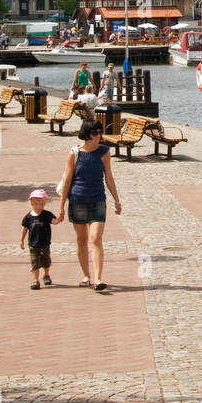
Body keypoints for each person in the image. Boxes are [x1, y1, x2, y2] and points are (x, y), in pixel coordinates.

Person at [57, 119, 122, 291]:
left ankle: (98, 279)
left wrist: (116, 199)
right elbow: (67, 180)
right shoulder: (74, 154)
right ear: (86, 134)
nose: (98, 136)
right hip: (77, 200)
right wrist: (61, 206)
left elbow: (109, 177)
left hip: (98, 200)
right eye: (95, 133)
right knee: (81, 240)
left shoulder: (104, 152)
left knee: (95, 238)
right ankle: (86, 275)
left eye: (100, 132)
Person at [20, 188, 62, 290]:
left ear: (44, 204)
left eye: (41, 204)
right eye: (35, 204)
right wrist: (21, 240)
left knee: (46, 261)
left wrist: (59, 218)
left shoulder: (47, 215)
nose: (38, 206)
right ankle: (36, 280)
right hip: (33, 244)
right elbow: (25, 228)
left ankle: (46, 275)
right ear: (31, 203)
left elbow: (54, 222)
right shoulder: (28, 217)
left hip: (45, 243)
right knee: (35, 262)